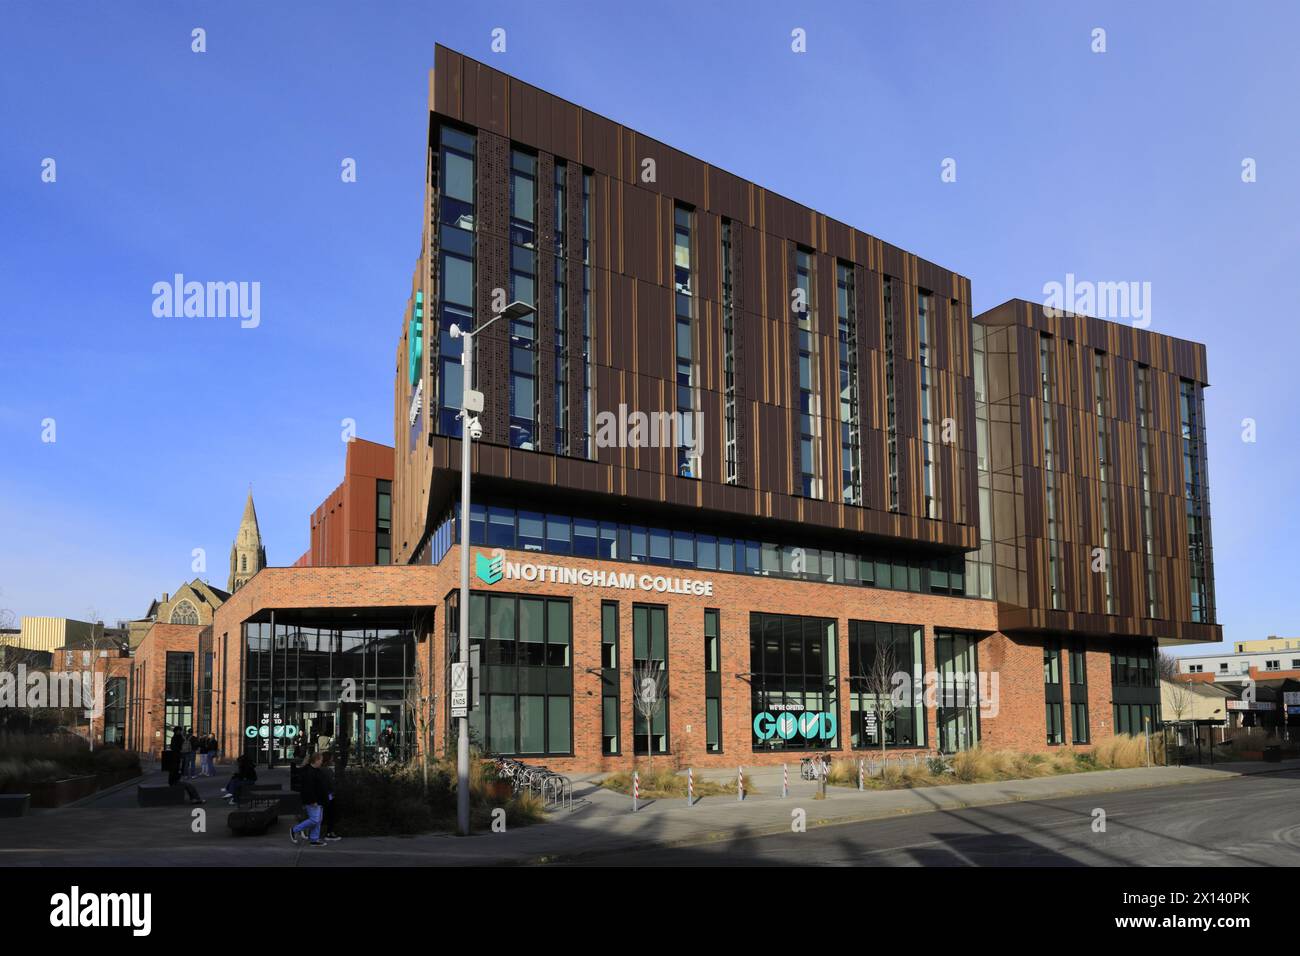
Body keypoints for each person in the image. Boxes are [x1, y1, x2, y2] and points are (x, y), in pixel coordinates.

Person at [289, 753, 328, 847]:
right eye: (321, 760)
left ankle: (314, 839)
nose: (322, 762)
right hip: (313, 800)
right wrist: (313, 800)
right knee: (315, 819)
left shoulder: (314, 770)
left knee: (317, 820)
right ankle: (295, 830)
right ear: (317, 760)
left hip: (318, 799)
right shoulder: (310, 772)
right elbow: (308, 788)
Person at [319, 752, 341, 841]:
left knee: (322, 814)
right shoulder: (328, 771)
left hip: (321, 795)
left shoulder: (319, 770)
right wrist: (333, 793)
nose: (333, 760)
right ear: (328, 760)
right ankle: (330, 832)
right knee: (331, 813)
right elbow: (332, 784)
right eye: (331, 758)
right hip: (328, 795)